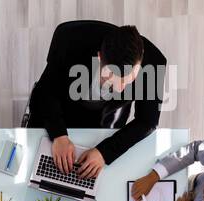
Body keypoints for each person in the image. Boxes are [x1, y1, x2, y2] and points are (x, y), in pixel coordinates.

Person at [28, 23, 166, 179]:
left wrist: (104, 153)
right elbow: (46, 91)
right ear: (100, 57)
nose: (120, 89)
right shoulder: (70, 39)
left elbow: (147, 121)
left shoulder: (155, 62)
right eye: (111, 77)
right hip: (60, 110)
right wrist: (58, 135)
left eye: (129, 80)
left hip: (103, 123)